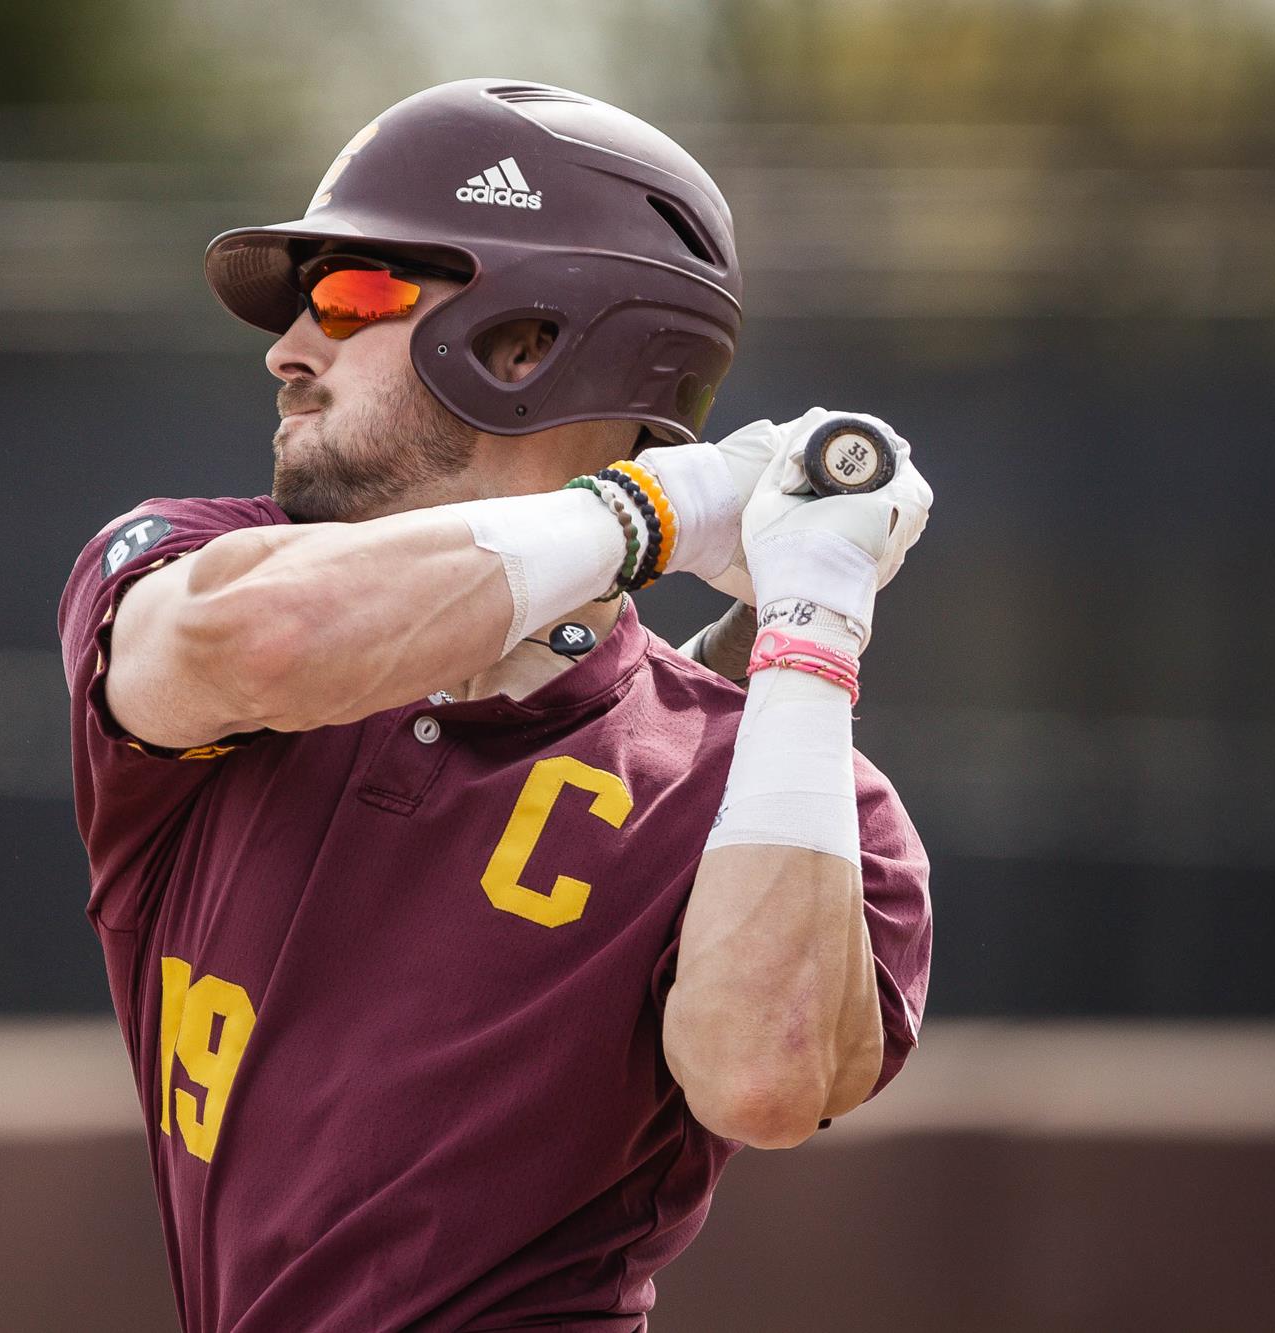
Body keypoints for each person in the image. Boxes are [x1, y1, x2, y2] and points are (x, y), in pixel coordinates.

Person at [57, 78, 933, 1331]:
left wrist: (813, 622)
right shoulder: (191, 565)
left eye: (352, 296)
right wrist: (659, 511)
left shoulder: (777, 780)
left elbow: (760, 1077)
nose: (287, 349)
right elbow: (262, 641)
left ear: (531, 342)